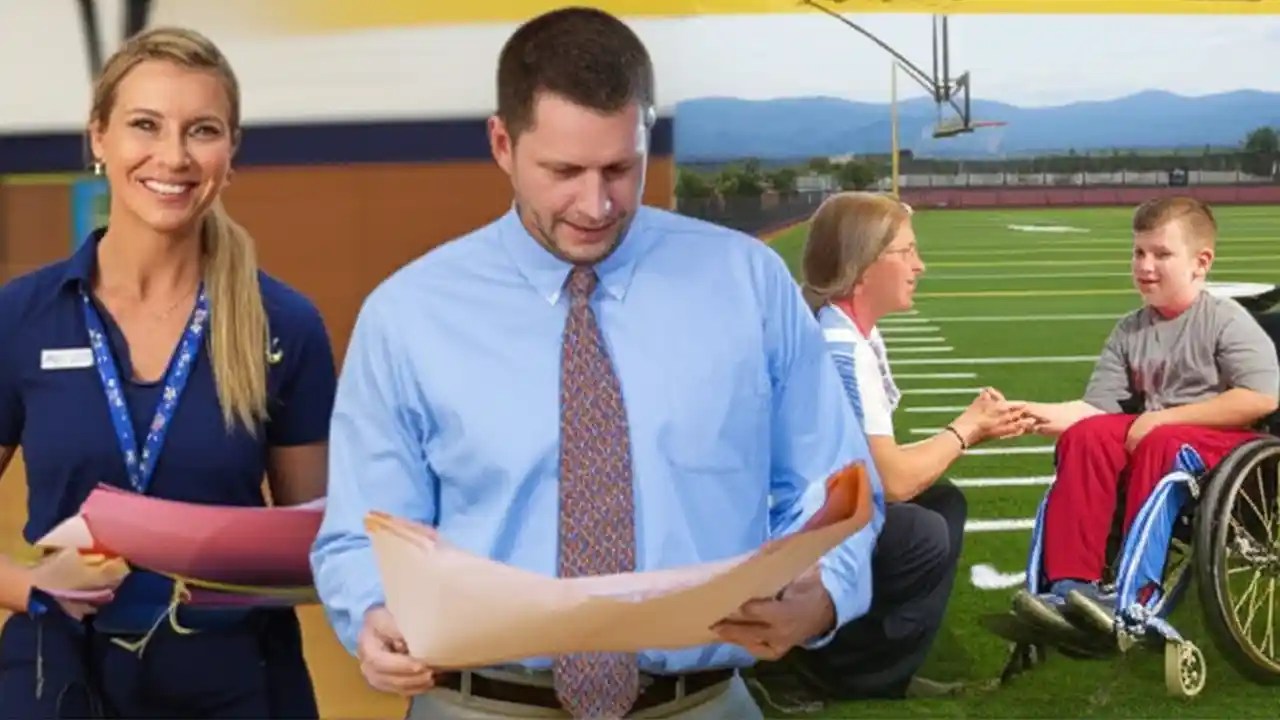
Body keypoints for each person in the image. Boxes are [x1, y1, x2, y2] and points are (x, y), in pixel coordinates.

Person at [309, 7, 885, 720]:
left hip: (703, 703)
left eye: (620, 167)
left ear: (647, 136)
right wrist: (368, 610)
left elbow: (838, 484)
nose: (596, 202)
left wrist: (826, 589)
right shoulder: (408, 315)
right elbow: (359, 533)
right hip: (482, 704)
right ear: (501, 143)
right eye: (564, 171)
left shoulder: (750, 285)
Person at [0, 26, 337, 719]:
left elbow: (315, 544)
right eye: (145, 125)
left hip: (236, 681)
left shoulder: (286, 325)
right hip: (59, 674)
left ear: (231, 150)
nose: (174, 157)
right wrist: (31, 589)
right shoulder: (22, 316)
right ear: (98, 137)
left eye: (202, 130)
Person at [747, 191, 1032, 707]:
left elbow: (881, 469)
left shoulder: (841, 331)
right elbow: (894, 481)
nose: (920, 265)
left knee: (941, 504)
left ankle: (873, 668)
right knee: (920, 532)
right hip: (769, 533)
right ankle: (809, 669)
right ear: (864, 265)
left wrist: (968, 430)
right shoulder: (838, 347)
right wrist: (967, 429)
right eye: (907, 251)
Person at [1013, 196, 1279, 627]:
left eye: (1161, 254)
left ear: (1201, 262)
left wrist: (1162, 418)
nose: (1145, 265)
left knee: (1160, 439)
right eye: (1138, 252)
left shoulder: (1226, 320)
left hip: (1227, 445)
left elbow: (1262, 397)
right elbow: (1094, 411)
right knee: (1087, 437)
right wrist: (1029, 414)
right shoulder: (1130, 329)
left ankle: (1134, 594)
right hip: (1161, 439)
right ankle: (1071, 586)